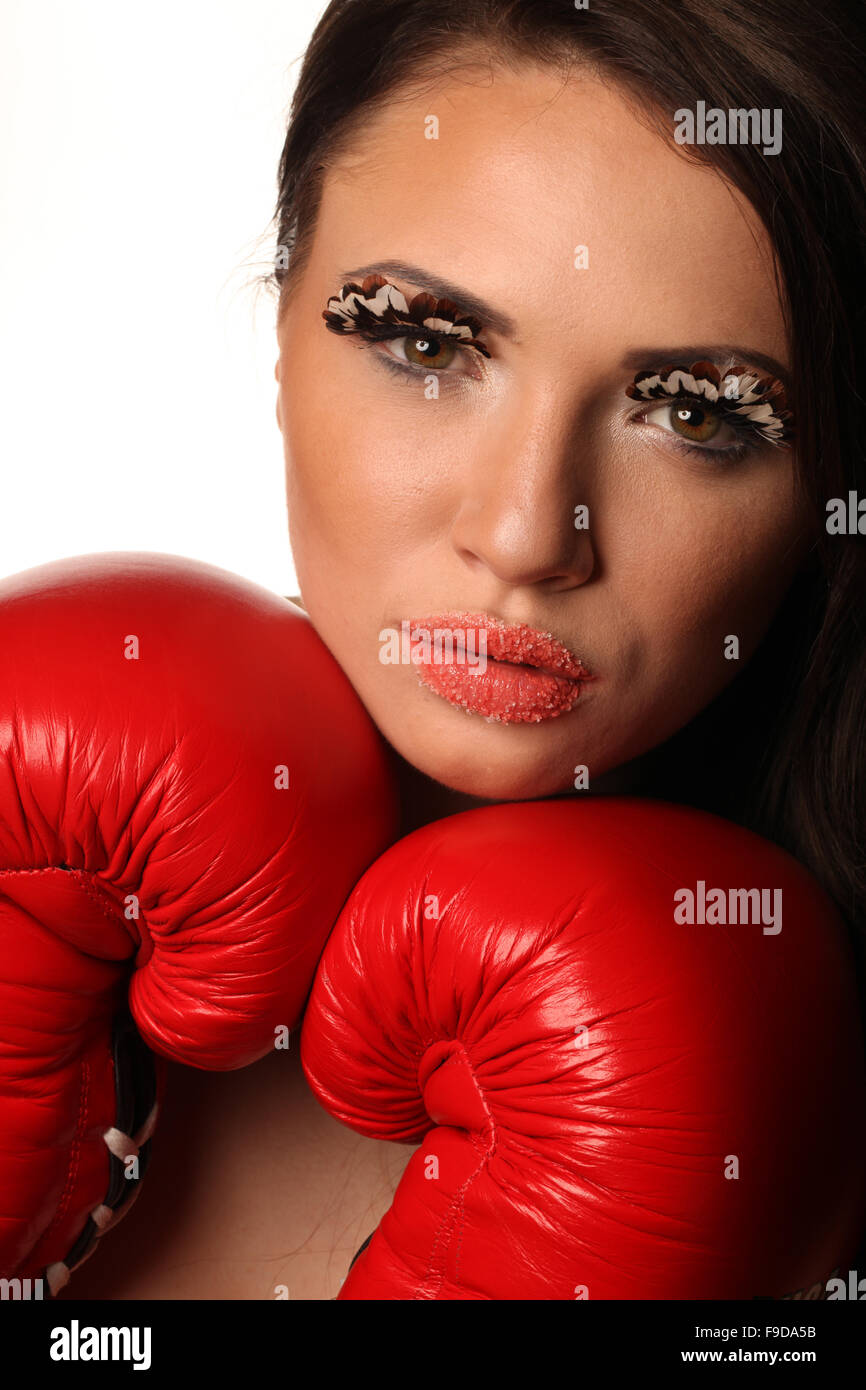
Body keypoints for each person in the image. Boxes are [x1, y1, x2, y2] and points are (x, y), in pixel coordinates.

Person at [57, 0, 866, 1297]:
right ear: (279, 326)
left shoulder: (792, 1108)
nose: (527, 530)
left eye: (699, 413)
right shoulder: (30, 864)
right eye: (425, 343)